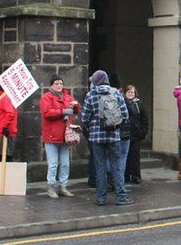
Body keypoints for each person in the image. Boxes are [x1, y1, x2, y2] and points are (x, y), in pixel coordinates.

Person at [81, 70, 132, 206]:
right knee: (117, 167)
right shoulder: (116, 92)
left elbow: (84, 118)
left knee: (100, 167)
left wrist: (91, 126)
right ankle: (121, 197)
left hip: (96, 138)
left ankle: (101, 198)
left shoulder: (90, 95)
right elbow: (125, 115)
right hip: (114, 136)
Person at [40, 75, 80, 199]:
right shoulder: (46, 97)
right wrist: (63, 111)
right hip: (51, 135)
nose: (59, 85)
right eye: (56, 83)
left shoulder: (68, 97)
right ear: (51, 85)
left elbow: (76, 110)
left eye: (61, 83)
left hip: (64, 136)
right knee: (53, 164)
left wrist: (76, 105)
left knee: (65, 163)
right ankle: (51, 187)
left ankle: (63, 186)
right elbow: (47, 113)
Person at [123, 85, 149, 184]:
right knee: (125, 156)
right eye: (129, 92)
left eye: (132, 92)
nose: (130, 94)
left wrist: (143, 131)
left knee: (135, 156)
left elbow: (144, 118)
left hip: (136, 134)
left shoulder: (139, 104)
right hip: (126, 134)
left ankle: (136, 176)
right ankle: (126, 176)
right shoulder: (122, 103)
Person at [0, 83, 17, 161]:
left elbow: (10, 113)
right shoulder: (2, 99)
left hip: (2, 133)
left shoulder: (4, 98)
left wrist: (4, 126)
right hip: (3, 132)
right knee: (4, 158)